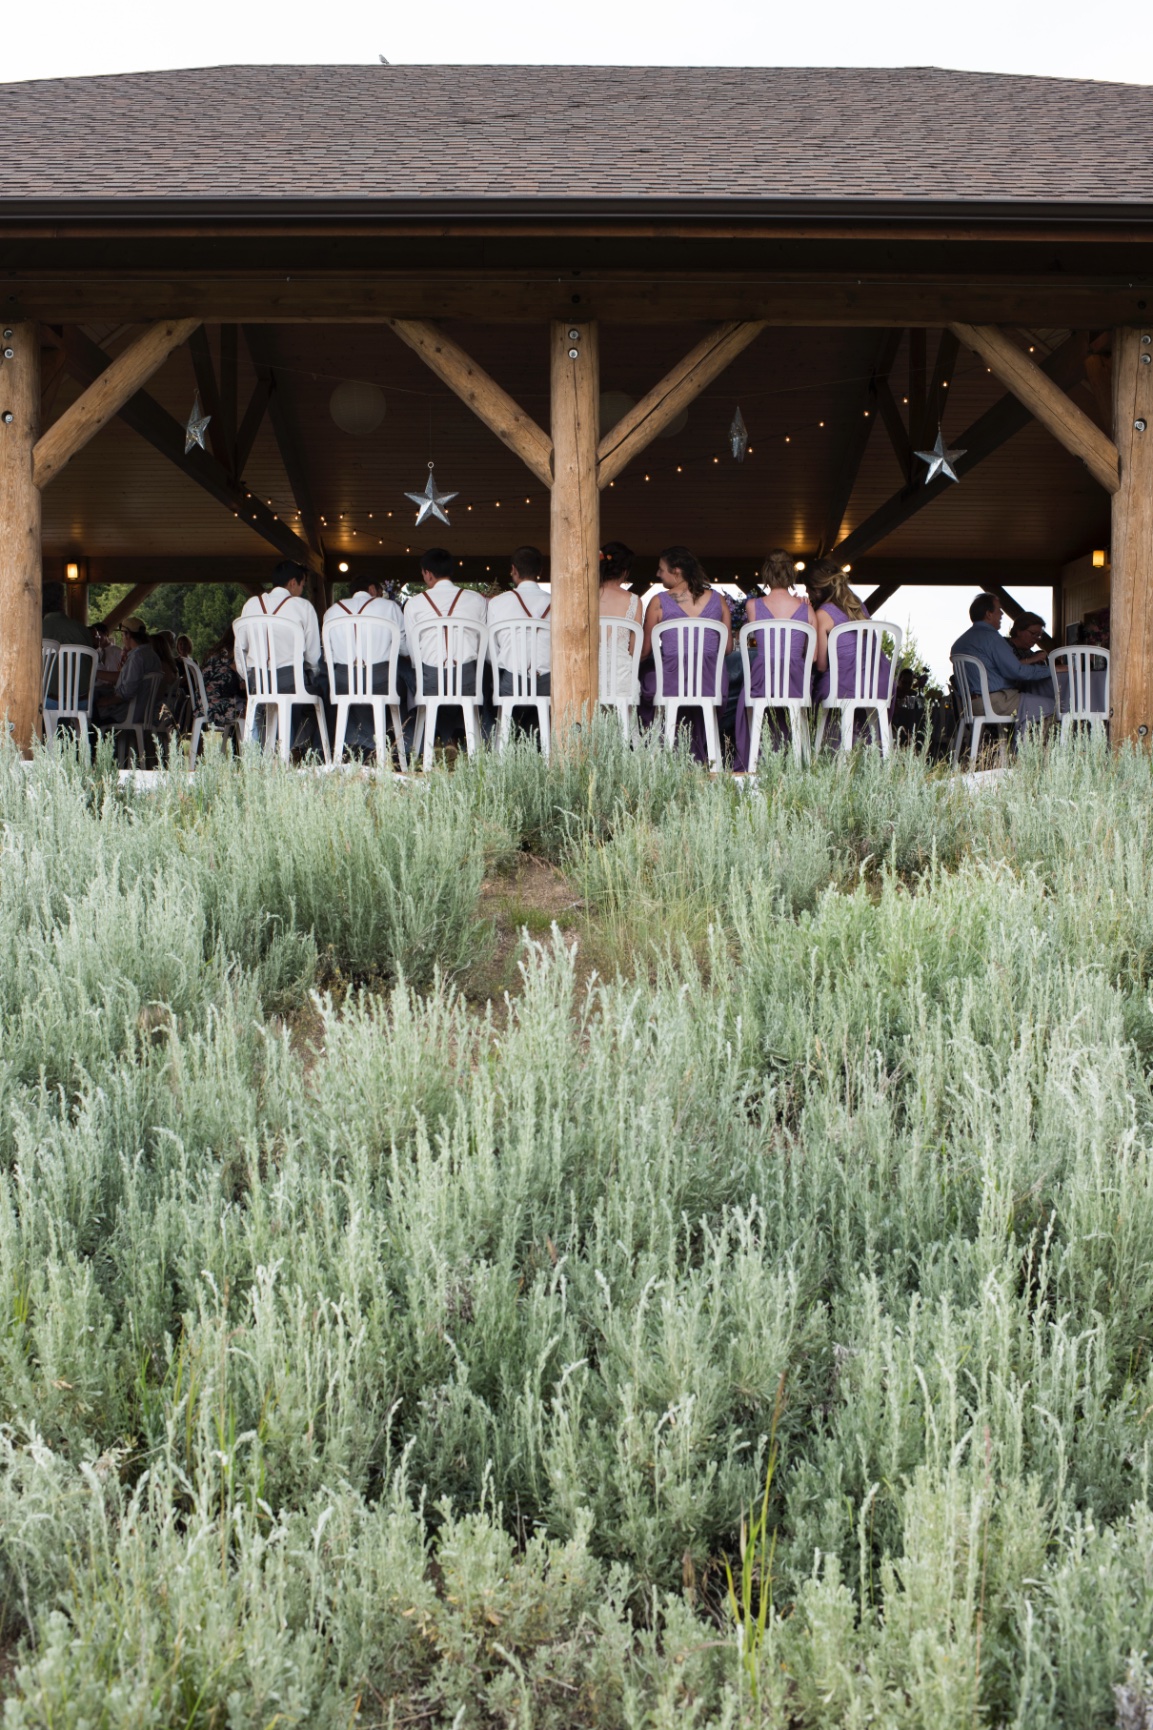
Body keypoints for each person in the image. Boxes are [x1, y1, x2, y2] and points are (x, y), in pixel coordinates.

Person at [639, 545, 731, 763]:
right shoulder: (718, 600)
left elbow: (644, 651)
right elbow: (727, 649)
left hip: (671, 681)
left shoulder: (659, 602)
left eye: (661, 569)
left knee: (645, 684)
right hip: (710, 682)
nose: (658, 574)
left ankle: (664, 755)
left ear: (677, 571)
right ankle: (699, 755)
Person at [733, 549, 818, 770]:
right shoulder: (807, 610)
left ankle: (756, 762)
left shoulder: (753, 606)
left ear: (766, 573)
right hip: (796, 683)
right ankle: (794, 762)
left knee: (745, 694)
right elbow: (815, 656)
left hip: (763, 680)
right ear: (791, 574)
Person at [949, 592, 1054, 723]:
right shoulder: (992, 638)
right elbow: (1018, 671)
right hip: (995, 702)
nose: (1002, 614)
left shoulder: (959, 643)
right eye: (999, 610)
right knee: (1052, 706)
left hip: (970, 704)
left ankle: (1018, 742)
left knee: (1034, 703)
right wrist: (1053, 670)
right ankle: (1025, 744)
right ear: (989, 614)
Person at [808, 558, 892, 716]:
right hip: (878, 684)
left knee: (813, 687)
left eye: (808, 589)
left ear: (817, 589)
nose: (807, 593)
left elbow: (821, 666)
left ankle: (827, 738)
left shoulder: (822, 614)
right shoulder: (857, 605)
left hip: (845, 687)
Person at [403, 547, 487, 699]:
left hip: (431, 682)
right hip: (467, 681)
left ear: (427, 573)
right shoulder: (476, 600)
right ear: (451, 571)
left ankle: (426, 720)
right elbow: (482, 645)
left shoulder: (414, 604)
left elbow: (413, 652)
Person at [487, 545, 551, 695]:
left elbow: (491, 655)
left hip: (512, 685)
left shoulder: (497, 603)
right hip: (548, 685)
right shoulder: (557, 602)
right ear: (540, 571)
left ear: (513, 570)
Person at [93, 616, 164, 724]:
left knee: (91, 711)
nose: (122, 638)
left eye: (122, 635)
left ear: (127, 634)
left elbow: (126, 692)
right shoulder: (152, 654)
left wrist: (105, 701)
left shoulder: (137, 657)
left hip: (129, 712)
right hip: (145, 710)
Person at [41, 583, 96, 706]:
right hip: (81, 700)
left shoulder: (35, 631)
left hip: (49, 701)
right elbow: (90, 664)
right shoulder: (82, 629)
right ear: (63, 601)